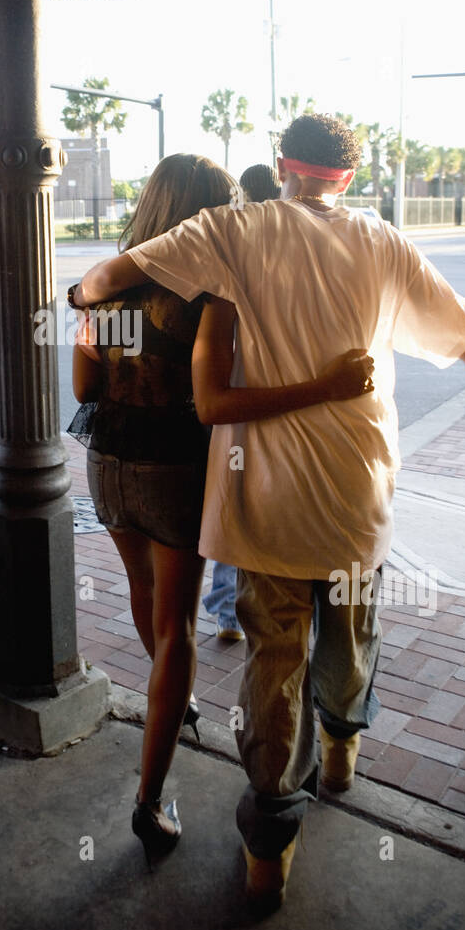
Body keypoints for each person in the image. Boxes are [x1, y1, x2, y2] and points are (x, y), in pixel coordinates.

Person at [72, 113, 465, 909]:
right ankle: (342, 744)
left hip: (262, 502)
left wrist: (78, 295)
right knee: (348, 635)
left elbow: (108, 282)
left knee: (273, 667)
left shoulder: (230, 230)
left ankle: (268, 847)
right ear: (346, 179)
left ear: (282, 166)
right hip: (356, 497)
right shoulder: (384, 243)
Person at [68, 153, 373, 866]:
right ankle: (148, 800)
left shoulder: (103, 286)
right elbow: (214, 404)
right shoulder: (207, 293)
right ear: (205, 214)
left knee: (150, 607)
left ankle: (172, 701)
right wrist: (325, 387)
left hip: (107, 463)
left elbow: (84, 388)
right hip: (175, 468)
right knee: (177, 633)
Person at [202, 162, 282, 641]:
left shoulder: (232, 243)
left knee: (232, 505)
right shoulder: (284, 245)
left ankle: (229, 613)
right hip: (273, 395)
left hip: (234, 395)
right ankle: (254, 607)